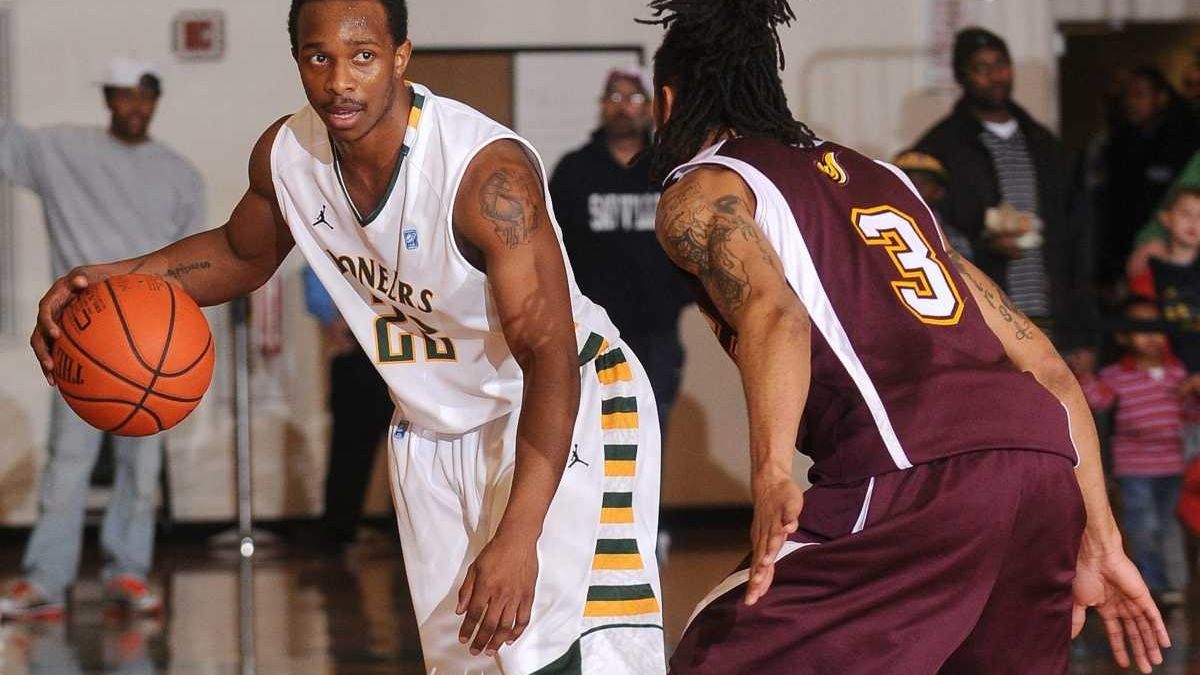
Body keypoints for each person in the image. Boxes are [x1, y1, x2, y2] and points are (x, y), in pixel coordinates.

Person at [28, 2, 664, 673]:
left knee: (569, 655)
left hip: (560, 405)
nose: (339, 80)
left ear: (400, 56)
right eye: (317, 56)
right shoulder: (289, 155)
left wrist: (519, 533)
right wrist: (109, 280)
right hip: (435, 429)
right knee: (471, 663)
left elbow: (549, 355)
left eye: (362, 56)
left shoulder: (485, 176)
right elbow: (241, 254)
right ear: (298, 59)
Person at [640, 0, 1167, 673]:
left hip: (917, 472)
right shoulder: (887, 182)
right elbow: (1045, 362)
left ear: (667, 100)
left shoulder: (703, 189)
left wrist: (771, 474)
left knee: (719, 653)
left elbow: (778, 316)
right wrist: (1101, 532)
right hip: (1042, 465)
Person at [0, 56, 205, 620]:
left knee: (141, 472)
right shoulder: (60, 151)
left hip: (152, 343)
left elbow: (197, 264)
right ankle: (45, 579)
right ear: (107, 98)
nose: (135, 106)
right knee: (67, 463)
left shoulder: (180, 174)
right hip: (82, 339)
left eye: (146, 96)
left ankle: (129, 575)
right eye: (124, 95)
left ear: (155, 102)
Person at [915, 27, 1092, 344]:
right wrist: (983, 248)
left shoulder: (1043, 143)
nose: (995, 76)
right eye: (980, 68)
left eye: (1000, 64)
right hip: (982, 312)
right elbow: (925, 229)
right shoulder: (941, 147)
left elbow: (1075, 231)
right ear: (961, 76)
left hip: (1048, 309)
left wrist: (1080, 328)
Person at [550, 66, 691, 437]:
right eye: (614, 97)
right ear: (601, 106)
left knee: (649, 436)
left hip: (656, 333)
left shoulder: (671, 170)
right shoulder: (574, 171)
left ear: (649, 108)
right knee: (589, 438)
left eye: (633, 97)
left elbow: (693, 240)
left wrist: (674, 297)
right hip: (588, 330)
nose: (622, 106)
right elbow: (552, 244)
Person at [1072, 298, 1189, 608]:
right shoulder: (1115, 375)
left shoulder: (1177, 374)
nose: (1151, 336)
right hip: (1135, 467)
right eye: (1141, 330)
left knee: (1164, 525)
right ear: (1123, 337)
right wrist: (1083, 376)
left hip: (1171, 466)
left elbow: (1188, 414)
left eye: (1155, 328)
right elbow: (1097, 401)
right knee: (1143, 525)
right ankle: (1154, 585)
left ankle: (1169, 582)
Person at [302, 266, 394, 551]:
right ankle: (338, 533)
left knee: (416, 446)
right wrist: (331, 319)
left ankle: (407, 537)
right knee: (350, 448)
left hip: (411, 350)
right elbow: (314, 267)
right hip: (359, 346)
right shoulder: (340, 222)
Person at [1103, 67, 1200, 287]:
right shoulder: (1119, 145)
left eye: (1139, 95)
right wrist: (1152, 239)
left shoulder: (1180, 139)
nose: (1131, 102)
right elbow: (1181, 197)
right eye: (1128, 95)